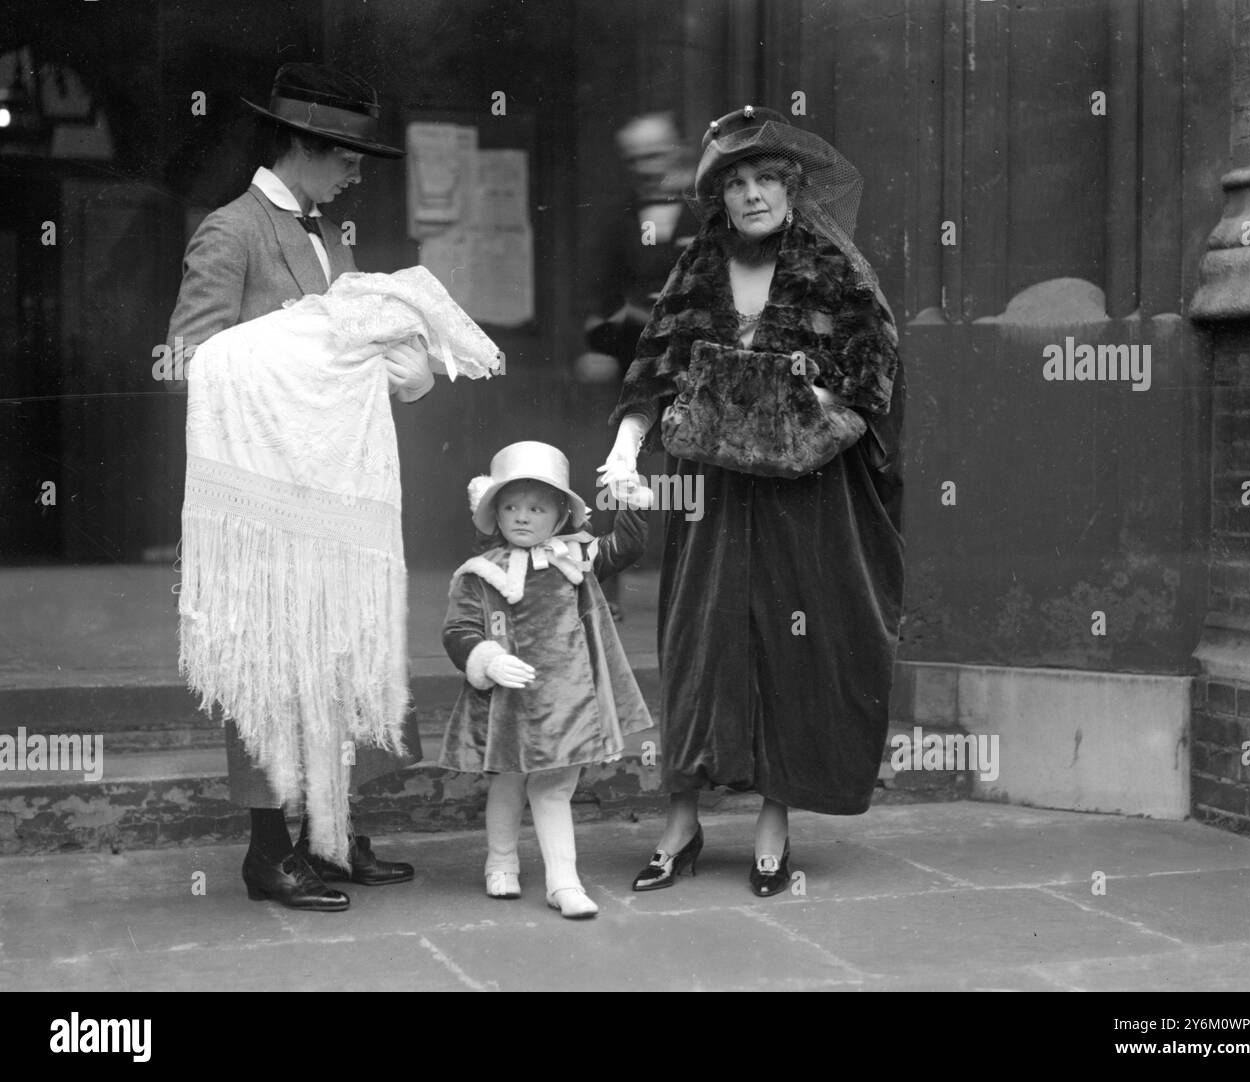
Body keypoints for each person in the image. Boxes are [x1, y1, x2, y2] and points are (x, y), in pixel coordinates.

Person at [603, 106, 904, 898]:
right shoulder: (697, 268)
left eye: (767, 178)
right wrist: (624, 450)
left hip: (805, 494)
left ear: (792, 188)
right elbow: (653, 368)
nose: (752, 196)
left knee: (787, 639)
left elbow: (872, 376)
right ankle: (681, 822)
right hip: (712, 494)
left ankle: (774, 822)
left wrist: (808, 395)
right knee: (698, 641)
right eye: (735, 184)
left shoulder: (837, 268)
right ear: (719, 200)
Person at [167, 63, 431, 911]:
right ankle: (268, 853)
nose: (357, 173)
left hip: (333, 488)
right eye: (347, 156)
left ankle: (335, 835)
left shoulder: (328, 231)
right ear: (302, 146)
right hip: (264, 498)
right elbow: (188, 361)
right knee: (275, 669)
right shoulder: (230, 231)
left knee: (343, 651)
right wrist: (303, 345)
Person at [439, 442, 653, 919]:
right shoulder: (481, 574)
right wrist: (486, 657)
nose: (521, 517)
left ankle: (564, 882)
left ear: (559, 517)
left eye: (536, 508)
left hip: (566, 700)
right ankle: (501, 862)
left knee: (554, 788)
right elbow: (459, 630)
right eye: (510, 506)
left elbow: (627, 548)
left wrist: (633, 503)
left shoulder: (576, 560)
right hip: (511, 700)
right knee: (509, 781)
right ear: (493, 513)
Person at [578, 113, 696, 618]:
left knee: (693, 472)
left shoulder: (707, 209)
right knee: (620, 467)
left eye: (657, 155)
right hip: (635, 362)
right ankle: (607, 585)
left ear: (676, 151)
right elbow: (598, 288)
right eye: (638, 159)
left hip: (697, 362)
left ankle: (690, 591)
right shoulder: (621, 216)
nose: (649, 168)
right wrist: (599, 346)